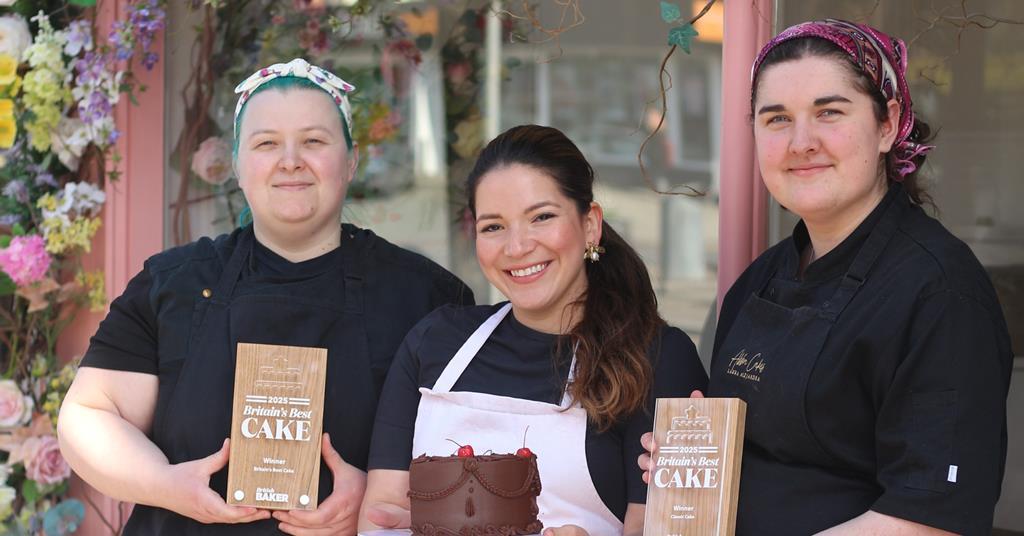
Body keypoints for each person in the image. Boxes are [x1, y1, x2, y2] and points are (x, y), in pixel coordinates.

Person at [57, 58, 473, 535]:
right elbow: (88, 416)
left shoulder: (425, 297)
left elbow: (473, 458)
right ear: (236, 164)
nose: (290, 160)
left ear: (352, 160)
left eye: (314, 141)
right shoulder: (172, 284)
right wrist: (164, 484)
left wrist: (381, 499)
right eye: (266, 143)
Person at [636, 19, 1013, 535]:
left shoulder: (939, 293)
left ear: (887, 125)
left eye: (829, 112)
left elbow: (929, 520)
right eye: (776, 119)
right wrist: (694, 469)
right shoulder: (759, 280)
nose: (800, 142)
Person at [357, 125, 708, 535]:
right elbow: (382, 511)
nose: (517, 246)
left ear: (590, 225)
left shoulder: (657, 359)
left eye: (541, 217)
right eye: (493, 226)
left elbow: (669, 527)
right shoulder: (435, 340)